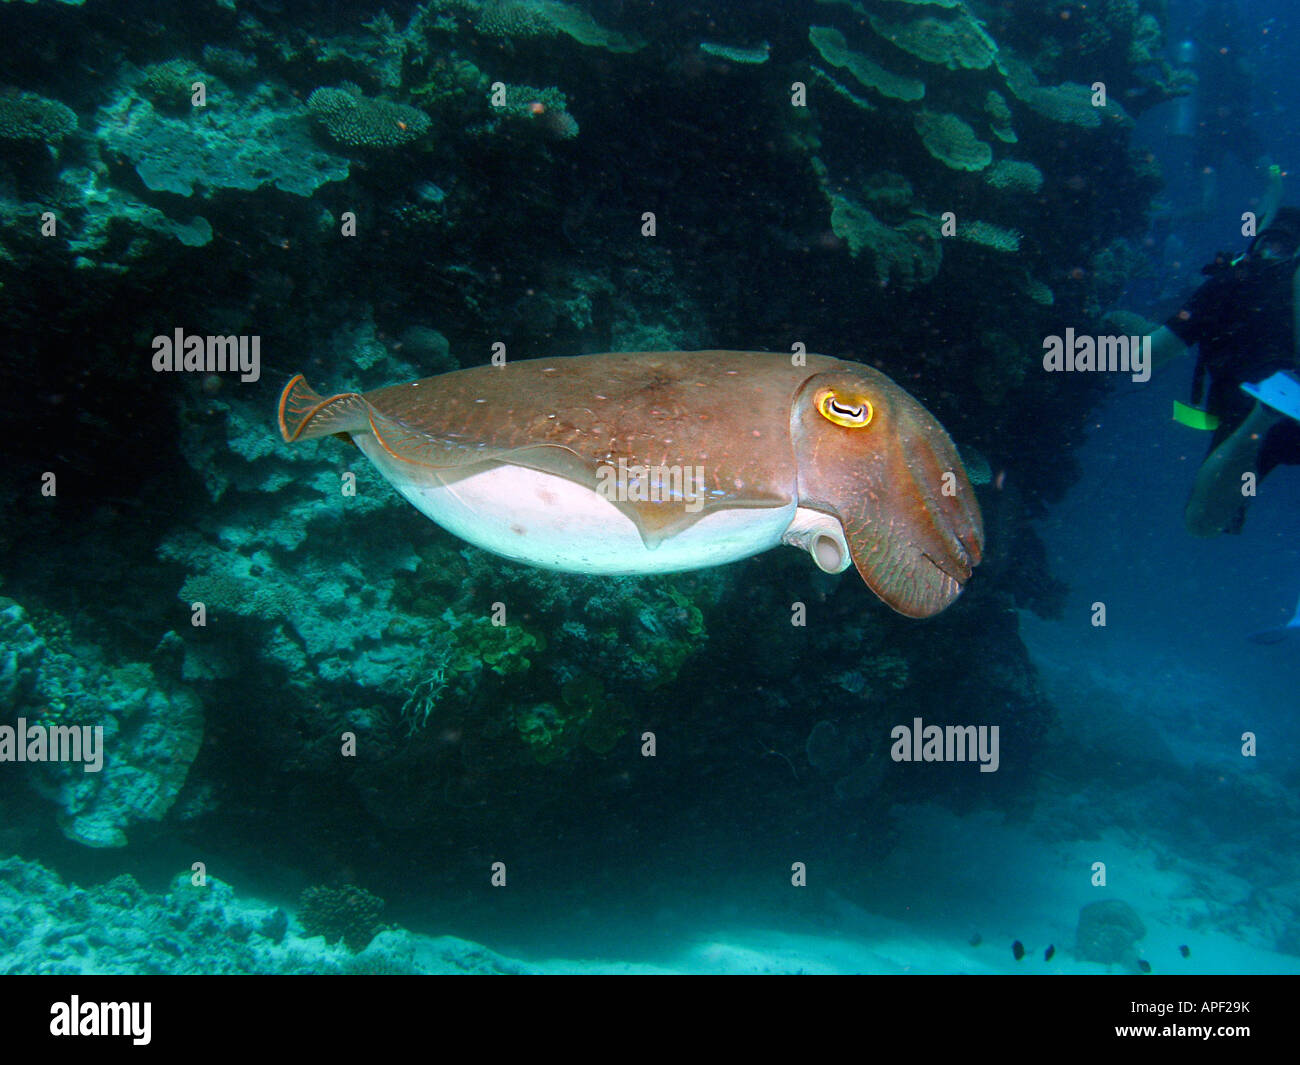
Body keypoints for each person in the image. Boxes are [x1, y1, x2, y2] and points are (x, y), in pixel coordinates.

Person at [1146, 205, 1300, 536]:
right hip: (1269, 411)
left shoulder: (1232, 282)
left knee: (1202, 522)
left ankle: (1266, 413)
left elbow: (1149, 354)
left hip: (1257, 415)